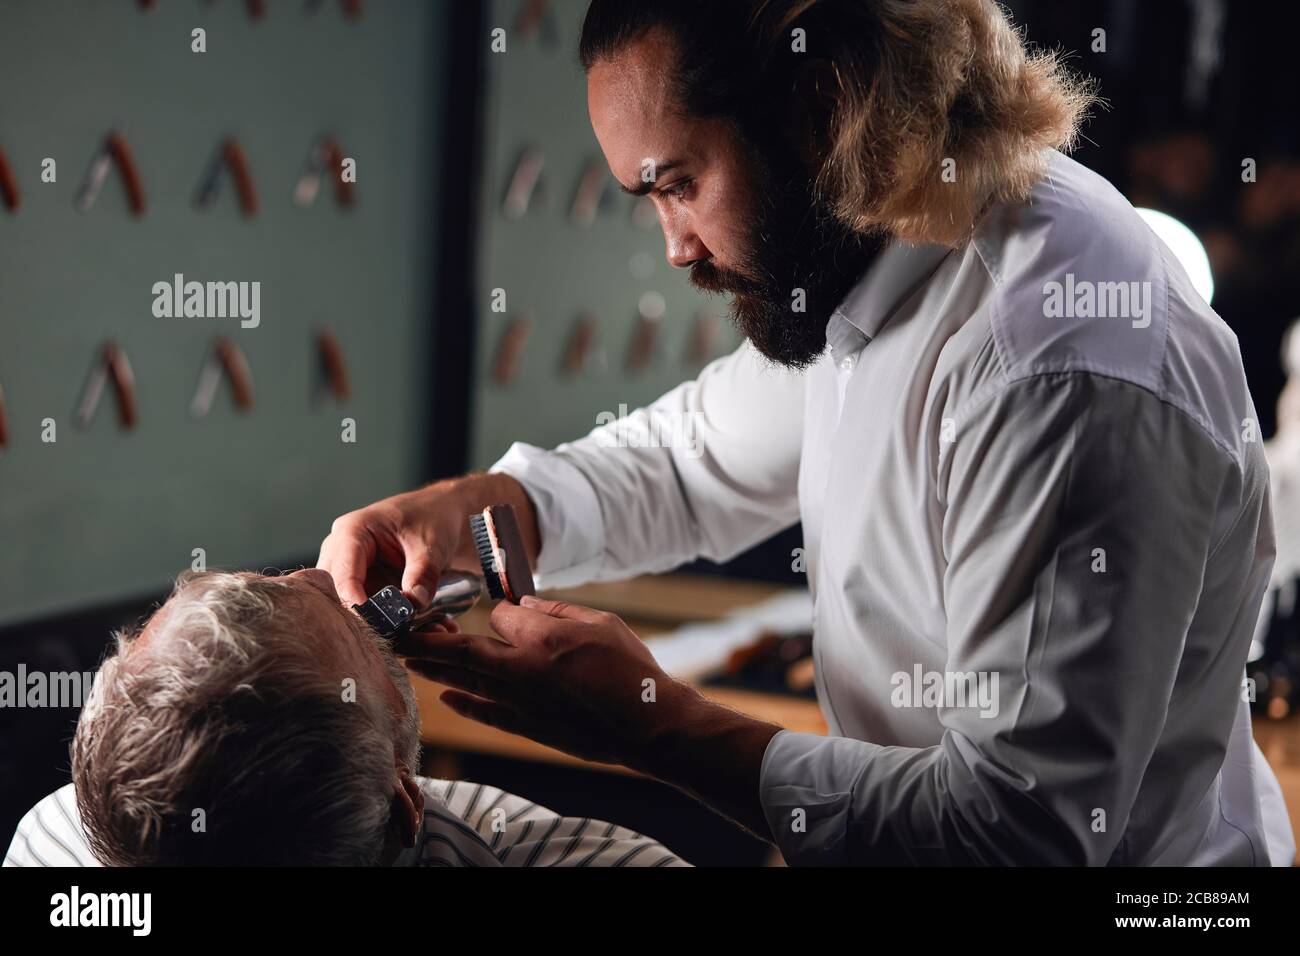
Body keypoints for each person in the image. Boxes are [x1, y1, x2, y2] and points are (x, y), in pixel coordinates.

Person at [316, 0, 1295, 865]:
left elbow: (1016, 831)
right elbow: (691, 459)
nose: (675, 245)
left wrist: (654, 724)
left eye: (678, 183)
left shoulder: (1053, 362)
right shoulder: (885, 249)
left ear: (820, 106)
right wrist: (494, 507)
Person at [4, 570, 686, 867]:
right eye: (353, 631)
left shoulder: (54, 839)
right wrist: (663, 728)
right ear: (405, 804)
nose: (321, 579)